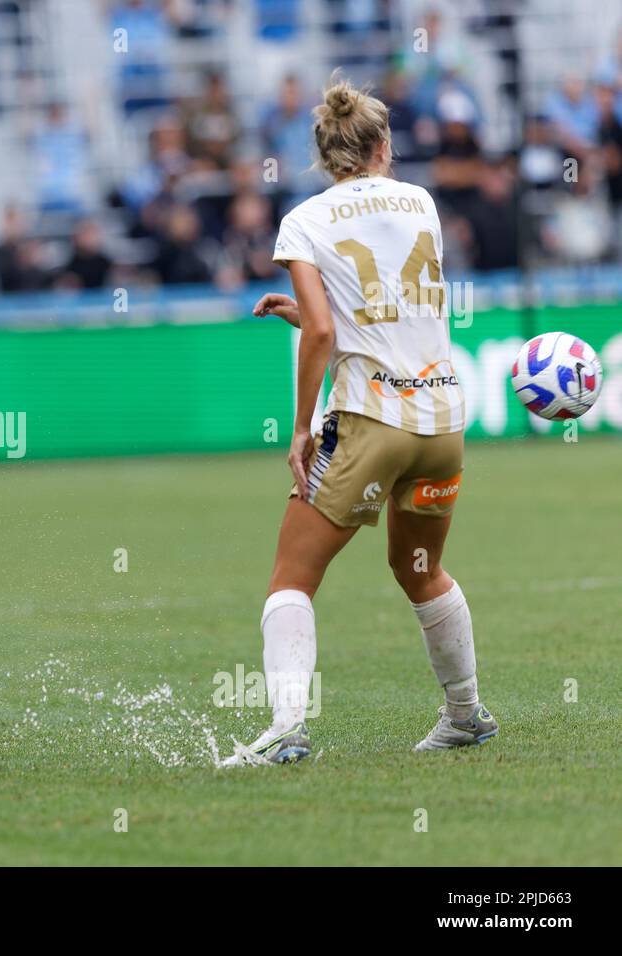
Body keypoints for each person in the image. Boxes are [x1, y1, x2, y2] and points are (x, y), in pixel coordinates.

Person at [232, 76, 497, 764]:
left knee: (291, 577)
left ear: (324, 155)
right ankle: (465, 713)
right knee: (421, 570)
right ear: (384, 146)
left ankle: (287, 725)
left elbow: (323, 331)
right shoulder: (421, 202)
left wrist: (299, 428)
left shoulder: (306, 220)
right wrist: (311, 316)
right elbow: (390, 305)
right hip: (440, 423)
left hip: (371, 422)